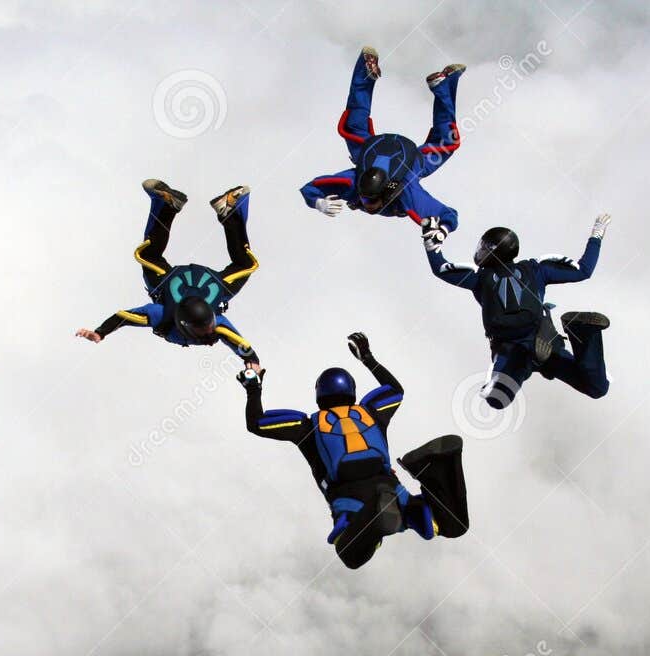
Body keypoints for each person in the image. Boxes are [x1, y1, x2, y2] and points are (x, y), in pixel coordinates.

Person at [242, 333, 468, 569]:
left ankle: (377, 513)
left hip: (351, 500)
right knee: (453, 525)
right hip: (391, 487)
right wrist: (368, 359)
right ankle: (436, 464)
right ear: (352, 391)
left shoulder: (307, 426)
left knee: (350, 556)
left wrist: (253, 388)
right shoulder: (372, 411)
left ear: (319, 396)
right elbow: (394, 390)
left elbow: (256, 422)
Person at [423, 212, 613, 409]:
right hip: (546, 342)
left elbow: (440, 268)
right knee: (597, 387)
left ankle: (532, 353)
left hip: (510, 350)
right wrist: (596, 235)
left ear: (490, 249)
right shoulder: (536, 269)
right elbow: (584, 270)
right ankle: (583, 332)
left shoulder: (479, 278)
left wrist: (430, 241)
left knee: (497, 399)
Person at [78, 179, 262, 370]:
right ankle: (226, 212)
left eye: (209, 324)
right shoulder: (163, 315)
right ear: (184, 325)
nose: (209, 330)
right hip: (198, 284)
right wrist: (99, 333)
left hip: (185, 283)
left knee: (149, 255)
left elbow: (122, 317)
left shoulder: (211, 324)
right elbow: (124, 317)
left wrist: (100, 332)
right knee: (245, 264)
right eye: (205, 328)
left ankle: (170, 206)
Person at [299, 47, 464, 232]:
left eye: (370, 199)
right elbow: (310, 188)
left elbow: (448, 215)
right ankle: (442, 85)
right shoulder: (353, 183)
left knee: (447, 142)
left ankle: (443, 86)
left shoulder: (407, 193)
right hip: (373, 150)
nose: (366, 203)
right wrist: (317, 202)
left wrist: (442, 231)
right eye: (364, 198)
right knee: (354, 126)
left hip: (406, 159)